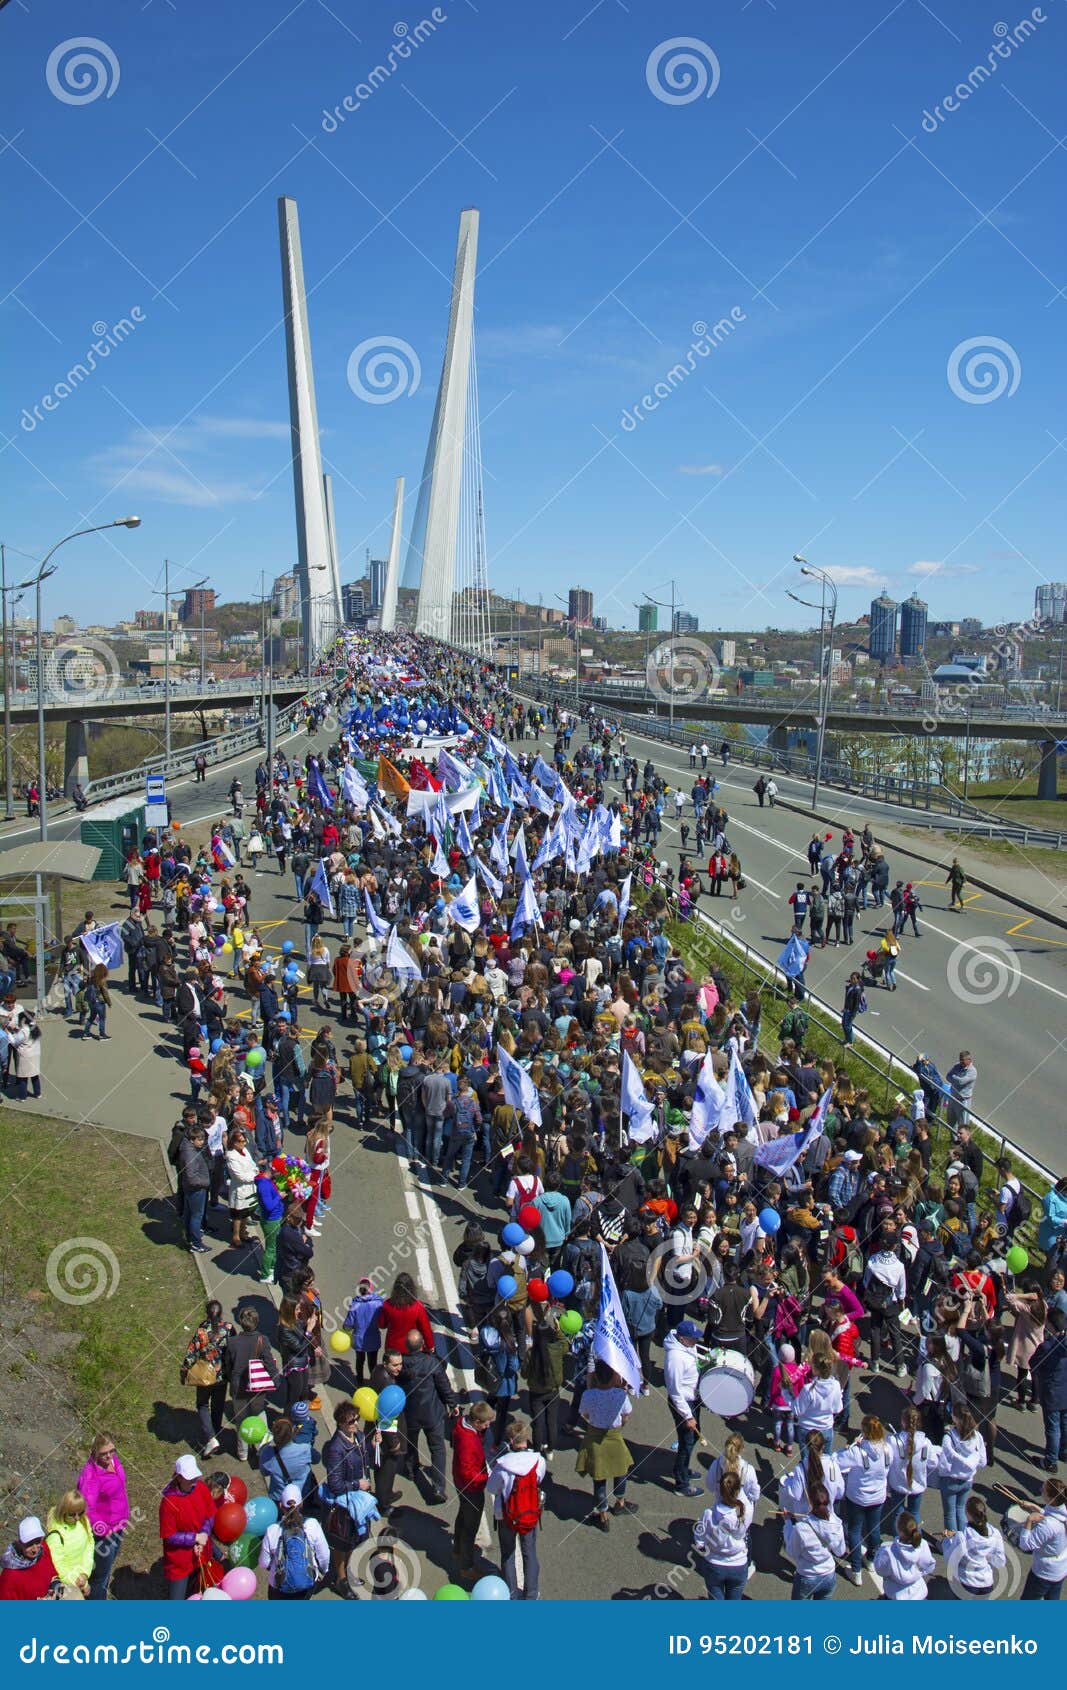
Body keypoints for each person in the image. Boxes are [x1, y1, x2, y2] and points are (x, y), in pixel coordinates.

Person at [485, 1414, 546, 1601]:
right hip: (529, 1513)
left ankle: (511, 1594)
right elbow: (539, 1480)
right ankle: (531, 1593)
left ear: (511, 1441)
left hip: (507, 1515)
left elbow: (491, 1487)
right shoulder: (539, 1461)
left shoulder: (503, 1465)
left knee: (508, 1554)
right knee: (530, 1554)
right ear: (526, 1439)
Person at [576, 1360, 635, 1531]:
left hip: (595, 1435)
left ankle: (603, 1515)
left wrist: (593, 1423)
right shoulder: (620, 1395)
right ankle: (620, 1501)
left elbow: (584, 1414)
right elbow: (626, 1415)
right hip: (614, 1435)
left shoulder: (589, 1395)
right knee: (621, 1469)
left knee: (599, 1476)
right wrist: (621, 1425)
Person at [399, 1330, 456, 1503]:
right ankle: (438, 1486)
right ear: (422, 1344)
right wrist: (452, 1404)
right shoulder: (431, 1363)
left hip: (410, 1412)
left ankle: (410, 1470)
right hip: (432, 1413)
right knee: (437, 1449)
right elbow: (444, 1386)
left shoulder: (401, 1364)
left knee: (410, 1443)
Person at [158, 1453, 222, 1600]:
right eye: (190, 1478)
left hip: (201, 1553)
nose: (194, 1481)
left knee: (202, 1589)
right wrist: (194, 1538)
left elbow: (209, 1515)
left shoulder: (201, 1488)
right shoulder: (168, 1503)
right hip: (180, 1561)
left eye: (195, 1477)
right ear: (179, 1477)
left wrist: (204, 1534)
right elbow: (169, 1536)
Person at [77, 1431, 130, 1598]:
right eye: (104, 1453)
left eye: (111, 1451)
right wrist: (104, 1530)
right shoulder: (91, 1476)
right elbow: (87, 1509)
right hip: (104, 1534)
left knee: (107, 1570)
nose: (109, 1456)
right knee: (99, 1577)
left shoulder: (114, 1460)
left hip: (118, 1525)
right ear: (95, 1452)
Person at [838, 1414, 891, 1584]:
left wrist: (851, 1446)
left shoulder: (857, 1452)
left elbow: (839, 1462)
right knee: (874, 1528)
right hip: (878, 1496)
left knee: (854, 1531)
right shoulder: (887, 1450)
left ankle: (855, 1570)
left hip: (858, 1497)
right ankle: (870, 1558)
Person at [180, 1299, 234, 1457]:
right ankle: (216, 1433)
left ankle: (211, 1438)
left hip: (204, 1376)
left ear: (207, 1314)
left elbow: (191, 1354)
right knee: (218, 1406)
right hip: (222, 1376)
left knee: (203, 1405)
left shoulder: (201, 1331)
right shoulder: (229, 1329)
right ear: (221, 1313)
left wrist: (184, 1372)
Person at [258, 1484, 330, 1599]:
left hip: (278, 1585)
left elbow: (263, 1563)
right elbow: (324, 1555)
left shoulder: (272, 1530)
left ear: (281, 1506)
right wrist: (323, 1571)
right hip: (306, 1582)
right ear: (301, 1504)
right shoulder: (313, 1525)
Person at [452, 1400, 494, 1585]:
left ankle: (458, 1548)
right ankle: (466, 1567)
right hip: (470, 1487)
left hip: (461, 1483)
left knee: (463, 1514)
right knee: (471, 1525)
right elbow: (468, 1472)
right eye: (485, 1423)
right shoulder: (469, 1441)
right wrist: (487, 1479)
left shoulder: (462, 1426)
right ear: (476, 1422)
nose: (488, 1426)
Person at [692, 1471, 752, 1600]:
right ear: (738, 1491)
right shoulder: (745, 1513)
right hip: (739, 1564)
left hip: (714, 1564)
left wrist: (702, 1546)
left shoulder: (708, 1514)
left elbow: (699, 1539)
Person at [782, 1480, 844, 1600]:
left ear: (810, 1502)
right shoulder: (836, 1523)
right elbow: (840, 1552)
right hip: (829, 1574)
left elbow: (791, 1551)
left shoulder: (801, 1528)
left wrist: (788, 1523)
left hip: (807, 1576)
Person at [663, 1319, 703, 1496]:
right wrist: (687, 1416)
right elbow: (674, 1391)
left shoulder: (687, 1346)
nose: (696, 1341)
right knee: (686, 1442)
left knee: (693, 1436)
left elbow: (695, 1356)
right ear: (681, 1338)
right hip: (683, 1404)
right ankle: (681, 1483)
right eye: (693, 1338)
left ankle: (682, 1468)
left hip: (692, 1400)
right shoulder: (675, 1358)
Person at [1013, 1477, 1067, 1600]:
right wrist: (1035, 1507)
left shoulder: (1047, 1525)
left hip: (1044, 1573)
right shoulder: (1063, 1509)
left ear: (1050, 1497)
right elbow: (1055, 1516)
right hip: (1061, 1568)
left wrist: (1029, 1521)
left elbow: (1025, 1545)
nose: (1040, 1490)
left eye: (1043, 1490)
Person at [943, 1494, 1006, 1597]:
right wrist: (986, 1555)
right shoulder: (995, 1534)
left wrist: (947, 1541)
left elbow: (949, 1559)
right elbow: (1000, 1562)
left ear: (968, 1514)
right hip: (987, 1583)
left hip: (966, 1583)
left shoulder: (962, 1536)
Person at [936, 1405, 986, 1532]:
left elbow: (944, 1464)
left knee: (949, 1514)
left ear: (955, 1418)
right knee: (960, 1510)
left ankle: (953, 1543)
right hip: (967, 1481)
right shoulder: (977, 1437)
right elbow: (982, 1461)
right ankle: (964, 1538)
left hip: (950, 1480)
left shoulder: (949, 1437)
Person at [1030, 1308, 1067, 1474]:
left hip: (1051, 1392)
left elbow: (1033, 1364)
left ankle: (1051, 1461)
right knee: (1064, 1424)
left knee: (1053, 1428)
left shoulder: (1047, 1346)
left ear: (1050, 1325)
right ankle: (1063, 1452)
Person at [872, 1511, 936, 1599]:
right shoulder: (923, 1544)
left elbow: (880, 1570)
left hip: (898, 1595)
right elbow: (929, 1565)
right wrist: (917, 1574)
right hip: (919, 1593)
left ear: (899, 1530)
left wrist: (879, 1554)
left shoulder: (889, 1552)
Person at [44, 1491, 95, 1595]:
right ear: (63, 1511)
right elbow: (57, 1566)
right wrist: (78, 1582)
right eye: (72, 1514)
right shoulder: (55, 1536)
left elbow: (89, 1546)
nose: (77, 1518)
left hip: (80, 1581)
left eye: (80, 1513)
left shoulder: (83, 1521)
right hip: (65, 1587)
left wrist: (84, 1575)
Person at [0, 1516, 58, 1600]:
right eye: (29, 1544)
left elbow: (52, 1572)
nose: (35, 1549)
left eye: (38, 1542)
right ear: (20, 1543)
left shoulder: (43, 1550)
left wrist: (55, 1584)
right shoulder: (10, 1576)